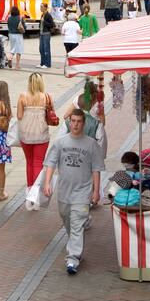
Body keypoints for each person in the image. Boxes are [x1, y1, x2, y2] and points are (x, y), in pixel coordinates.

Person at [42, 108, 104, 275]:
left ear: (83, 124)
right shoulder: (60, 142)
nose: (75, 124)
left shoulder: (91, 144)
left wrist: (96, 191)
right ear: (69, 122)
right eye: (73, 121)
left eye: (79, 121)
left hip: (82, 194)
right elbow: (50, 163)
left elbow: (97, 169)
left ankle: (73, 258)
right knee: (68, 221)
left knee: (76, 224)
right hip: (64, 193)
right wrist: (47, 183)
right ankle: (74, 249)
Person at [17, 72, 54, 189]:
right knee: (38, 163)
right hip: (41, 134)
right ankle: (36, 192)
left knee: (29, 162)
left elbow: (19, 115)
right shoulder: (47, 97)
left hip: (26, 134)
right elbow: (52, 113)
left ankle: (29, 189)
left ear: (29, 83)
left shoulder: (23, 96)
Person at [38, 3, 55, 68]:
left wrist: (44, 21)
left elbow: (52, 25)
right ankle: (42, 63)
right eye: (40, 6)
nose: (40, 8)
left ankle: (48, 64)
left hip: (46, 34)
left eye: (41, 7)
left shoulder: (48, 15)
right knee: (41, 49)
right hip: (41, 34)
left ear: (45, 8)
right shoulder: (43, 15)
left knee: (46, 49)